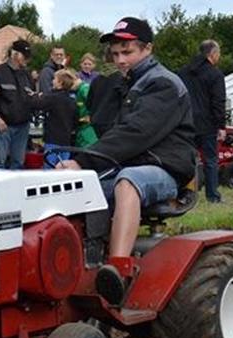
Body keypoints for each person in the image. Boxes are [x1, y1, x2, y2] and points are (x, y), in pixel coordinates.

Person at [55, 17, 196, 306]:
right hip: (132, 162)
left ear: (147, 49)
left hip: (165, 168)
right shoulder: (125, 84)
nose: (120, 60)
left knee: (128, 181)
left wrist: (84, 161)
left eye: (127, 52)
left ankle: (118, 270)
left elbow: (136, 133)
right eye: (116, 54)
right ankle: (77, 264)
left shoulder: (164, 84)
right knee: (73, 190)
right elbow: (111, 131)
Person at [180, 39, 225, 203]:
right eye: (218, 54)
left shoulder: (183, 72)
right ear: (213, 54)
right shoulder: (215, 74)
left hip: (185, 123)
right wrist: (221, 125)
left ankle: (185, 194)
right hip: (207, 123)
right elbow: (218, 101)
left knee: (186, 160)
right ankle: (212, 195)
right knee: (210, 160)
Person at [0, 40, 36, 169]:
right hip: (3, 124)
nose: (27, 60)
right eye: (25, 56)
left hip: (23, 125)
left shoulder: (27, 75)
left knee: (18, 162)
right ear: (15, 54)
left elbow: (31, 95)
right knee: (0, 162)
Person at [30, 69, 78, 164]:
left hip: (52, 138)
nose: (52, 81)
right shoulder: (72, 100)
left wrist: (34, 96)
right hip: (66, 140)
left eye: (54, 79)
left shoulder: (53, 97)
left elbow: (37, 104)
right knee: (63, 166)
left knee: (50, 166)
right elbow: (75, 119)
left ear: (60, 83)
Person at [73, 69, 98, 148]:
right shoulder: (78, 90)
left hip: (87, 127)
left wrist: (91, 115)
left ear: (75, 79)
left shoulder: (84, 88)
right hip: (81, 127)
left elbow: (95, 102)